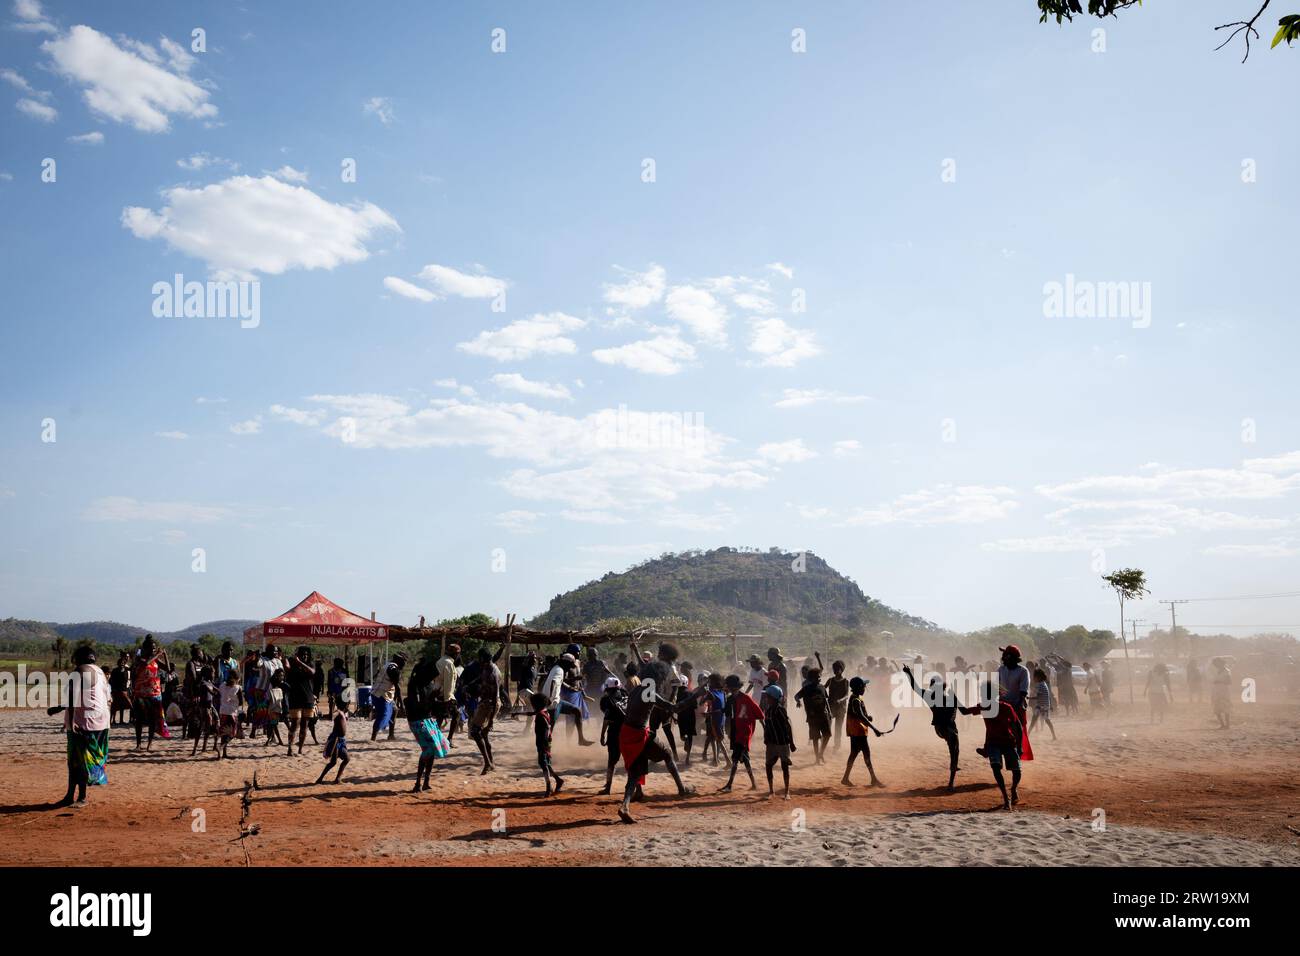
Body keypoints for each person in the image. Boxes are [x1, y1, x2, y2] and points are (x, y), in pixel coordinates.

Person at [617, 656, 695, 824]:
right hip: (638, 734)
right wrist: (696, 694)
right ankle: (625, 806)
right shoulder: (651, 694)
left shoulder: (637, 690)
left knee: (635, 769)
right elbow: (675, 708)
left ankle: (635, 795)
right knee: (665, 755)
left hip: (627, 732)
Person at [57, 645, 110, 807]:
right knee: (79, 761)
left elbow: (73, 697)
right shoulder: (101, 673)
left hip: (83, 723)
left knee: (77, 762)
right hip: (101, 722)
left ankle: (81, 798)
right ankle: (70, 795)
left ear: (78, 658)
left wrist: (71, 722)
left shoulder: (79, 671)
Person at [901, 663, 965, 791]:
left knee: (955, 747)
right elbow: (916, 687)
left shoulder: (946, 697)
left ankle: (954, 767)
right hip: (942, 729)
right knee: (954, 743)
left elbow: (965, 711)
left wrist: (981, 708)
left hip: (948, 728)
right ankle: (951, 780)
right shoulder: (931, 697)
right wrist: (908, 674)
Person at [964, 678, 1024, 810]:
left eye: (984, 693)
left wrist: (1019, 746)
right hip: (993, 743)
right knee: (996, 768)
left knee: (1017, 770)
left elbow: (1018, 726)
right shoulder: (983, 706)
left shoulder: (1006, 707)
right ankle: (1005, 797)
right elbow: (964, 711)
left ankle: (1013, 790)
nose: (982, 695)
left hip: (1008, 742)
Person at [405, 658, 450, 792]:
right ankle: (418, 783)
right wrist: (434, 700)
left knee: (433, 750)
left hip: (427, 719)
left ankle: (425, 782)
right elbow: (417, 706)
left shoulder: (429, 684)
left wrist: (442, 705)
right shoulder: (414, 685)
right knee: (429, 749)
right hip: (417, 721)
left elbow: (431, 705)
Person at [721, 674, 763, 792]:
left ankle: (729, 785)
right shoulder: (730, 699)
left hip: (743, 732)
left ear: (732, 687)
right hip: (736, 731)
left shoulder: (745, 698)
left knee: (735, 758)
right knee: (745, 759)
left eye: (728, 686)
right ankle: (754, 784)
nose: (727, 688)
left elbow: (759, 714)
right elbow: (727, 713)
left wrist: (748, 722)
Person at [841, 676, 885, 787]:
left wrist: (867, 717)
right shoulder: (856, 700)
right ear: (859, 687)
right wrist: (875, 729)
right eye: (864, 686)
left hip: (855, 731)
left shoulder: (856, 698)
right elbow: (861, 716)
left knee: (854, 754)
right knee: (866, 754)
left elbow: (860, 715)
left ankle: (845, 778)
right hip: (858, 732)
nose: (865, 688)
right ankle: (873, 779)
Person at [467, 645, 503, 774]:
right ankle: (490, 762)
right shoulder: (487, 667)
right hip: (485, 703)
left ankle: (488, 763)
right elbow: (481, 678)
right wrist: (471, 684)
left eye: (479, 658)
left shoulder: (492, 673)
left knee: (476, 732)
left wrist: (492, 719)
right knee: (483, 734)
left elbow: (495, 696)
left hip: (489, 705)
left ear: (482, 658)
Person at [132, 636, 171, 749]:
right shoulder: (139, 658)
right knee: (139, 719)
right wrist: (157, 655)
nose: (153, 650)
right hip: (141, 693)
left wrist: (165, 655)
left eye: (154, 648)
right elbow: (145, 664)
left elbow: (168, 669)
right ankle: (138, 744)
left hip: (154, 693)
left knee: (152, 720)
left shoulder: (155, 659)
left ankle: (149, 743)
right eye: (151, 648)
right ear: (145, 648)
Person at [997, 644, 1033, 762]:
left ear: (1011, 657)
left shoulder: (1023, 671)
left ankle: (1019, 747)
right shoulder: (1000, 669)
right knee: (993, 725)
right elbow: (997, 687)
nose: (1003, 658)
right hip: (1003, 704)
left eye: (1005, 655)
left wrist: (1017, 705)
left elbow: (1023, 691)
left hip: (1017, 704)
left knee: (1018, 727)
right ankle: (990, 748)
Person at [760, 684, 796, 800]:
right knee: (768, 765)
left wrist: (791, 743)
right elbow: (767, 726)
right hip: (771, 743)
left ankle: (787, 792)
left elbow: (788, 726)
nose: (766, 699)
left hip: (782, 743)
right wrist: (766, 738)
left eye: (768, 697)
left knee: (784, 766)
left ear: (774, 698)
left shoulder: (780, 710)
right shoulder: (768, 711)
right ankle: (771, 791)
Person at [794, 660, 833, 764]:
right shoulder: (806, 688)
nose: (820, 678)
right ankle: (817, 758)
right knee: (815, 738)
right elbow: (796, 696)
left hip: (824, 715)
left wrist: (829, 713)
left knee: (827, 735)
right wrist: (798, 701)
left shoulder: (822, 688)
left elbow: (826, 700)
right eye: (818, 677)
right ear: (812, 678)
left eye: (820, 676)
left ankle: (821, 753)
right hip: (812, 716)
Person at [284, 646, 318, 756]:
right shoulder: (292, 664)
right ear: (297, 655)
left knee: (304, 726)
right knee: (295, 724)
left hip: (308, 699)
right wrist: (286, 661)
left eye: (307, 654)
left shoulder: (310, 665)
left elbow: (312, 672)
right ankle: (290, 748)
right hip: (295, 698)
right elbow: (286, 669)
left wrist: (301, 663)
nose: (305, 656)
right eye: (303, 654)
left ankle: (300, 750)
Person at [533, 692, 565, 796]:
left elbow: (547, 727)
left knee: (543, 764)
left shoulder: (540, 716)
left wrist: (545, 744)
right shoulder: (545, 712)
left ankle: (548, 786)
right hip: (545, 743)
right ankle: (558, 780)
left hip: (543, 744)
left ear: (537, 704)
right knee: (546, 764)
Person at [369, 652, 406, 741]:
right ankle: (373, 738)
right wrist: (402, 704)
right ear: (399, 660)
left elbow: (394, 686)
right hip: (381, 694)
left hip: (384, 694)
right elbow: (398, 688)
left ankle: (391, 735)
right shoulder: (393, 669)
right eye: (404, 661)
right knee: (382, 715)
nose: (404, 664)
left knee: (394, 710)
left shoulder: (389, 665)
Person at [190, 665, 220, 756]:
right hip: (204, 708)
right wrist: (218, 693)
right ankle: (197, 749)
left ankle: (211, 746)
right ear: (207, 674)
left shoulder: (210, 682)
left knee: (217, 723)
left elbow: (217, 690)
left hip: (210, 706)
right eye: (213, 673)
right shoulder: (203, 684)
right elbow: (213, 693)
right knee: (204, 728)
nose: (214, 674)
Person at [316, 707, 349, 784]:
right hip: (335, 740)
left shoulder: (344, 713)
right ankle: (320, 779)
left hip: (342, 740)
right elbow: (333, 714)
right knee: (333, 762)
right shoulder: (338, 712)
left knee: (347, 759)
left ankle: (337, 779)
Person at [216, 672, 242, 759]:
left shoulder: (222, 685)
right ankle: (221, 747)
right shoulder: (237, 688)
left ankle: (223, 753)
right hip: (232, 712)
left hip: (222, 711)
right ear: (237, 679)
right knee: (233, 732)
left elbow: (219, 695)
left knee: (224, 732)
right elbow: (241, 702)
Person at [826, 660, 850, 750]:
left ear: (841, 670)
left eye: (837, 669)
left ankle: (837, 745)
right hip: (830, 706)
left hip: (841, 707)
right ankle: (825, 742)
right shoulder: (830, 680)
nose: (835, 671)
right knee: (827, 725)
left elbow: (847, 695)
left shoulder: (845, 681)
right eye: (834, 669)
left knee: (838, 727)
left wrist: (841, 700)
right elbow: (823, 689)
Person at [1028, 667, 1056, 741]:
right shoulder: (1043, 683)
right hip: (1043, 705)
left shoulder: (1039, 685)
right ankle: (1028, 734)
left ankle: (1054, 736)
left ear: (1038, 677)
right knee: (1038, 719)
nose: (1033, 678)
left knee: (1044, 720)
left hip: (1042, 706)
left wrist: (1029, 698)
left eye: (1034, 676)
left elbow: (1037, 696)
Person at [108, 653, 132, 727]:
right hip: (117, 690)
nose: (121, 664)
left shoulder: (126, 670)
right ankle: (112, 720)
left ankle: (121, 720)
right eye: (120, 663)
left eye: (123, 663)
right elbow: (111, 680)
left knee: (122, 706)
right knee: (115, 706)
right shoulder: (115, 671)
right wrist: (113, 689)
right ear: (117, 663)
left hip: (124, 689)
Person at [1210, 657, 1233, 729]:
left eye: (1217, 663)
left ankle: (1227, 725)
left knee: (1226, 708)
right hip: (1216, 691)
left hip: (1224, 691)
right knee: (1216, 708)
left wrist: (1219, 682)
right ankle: (1222, 724)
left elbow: (1229, 682)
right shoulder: (1217, 671)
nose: (1216, 665)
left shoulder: (1227, 671)